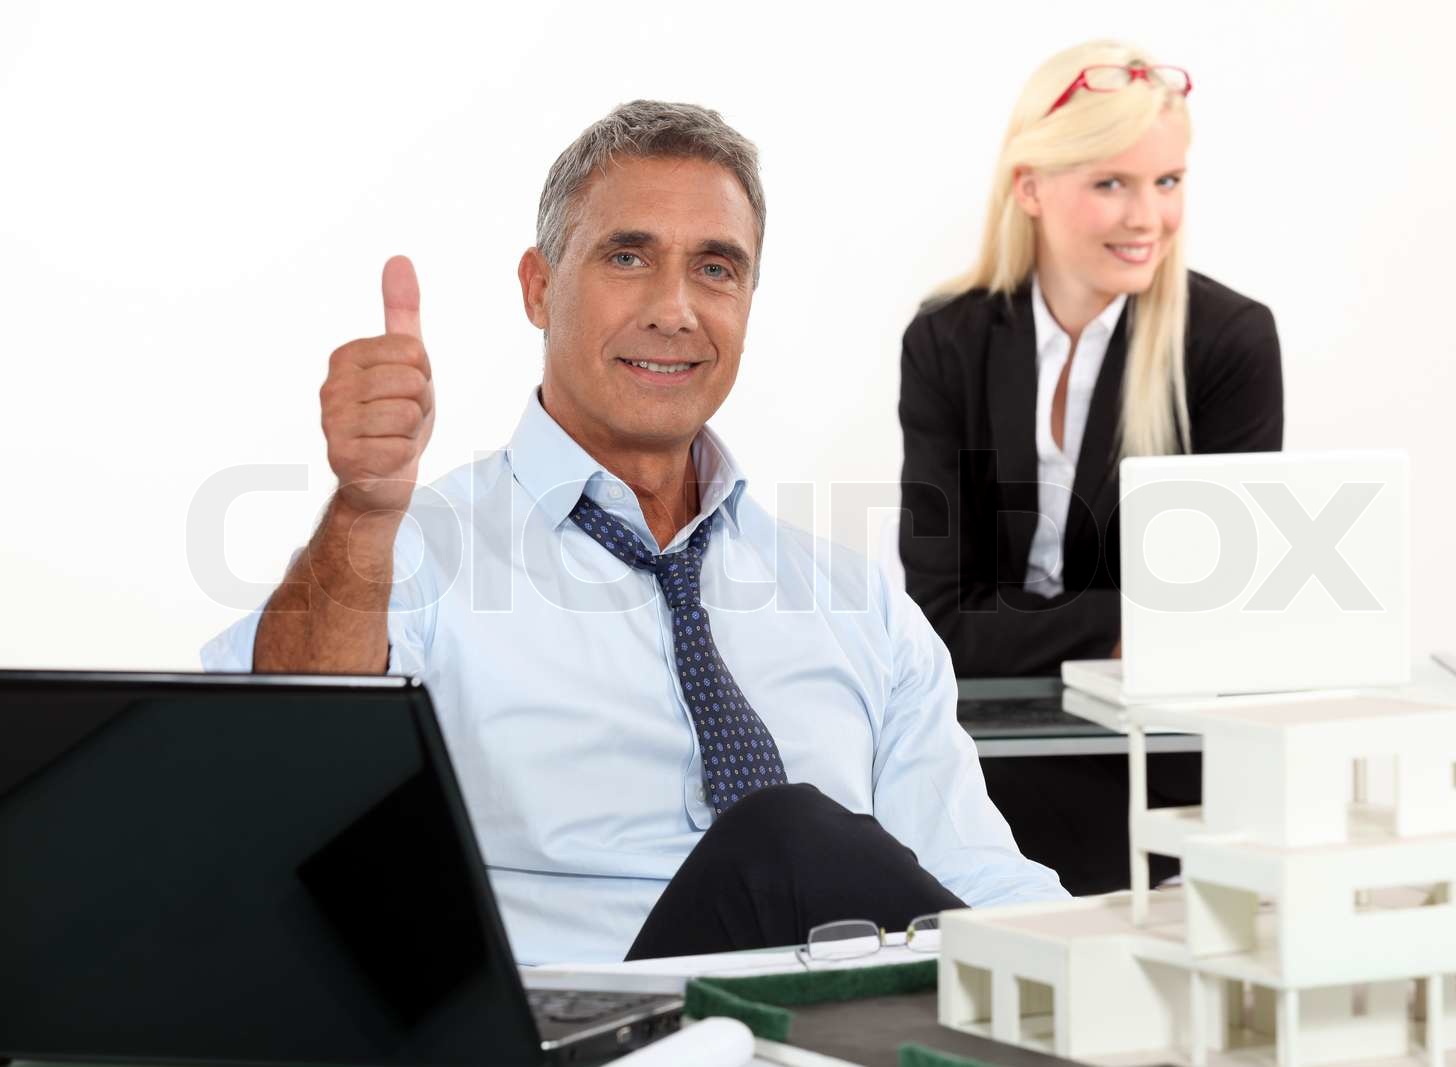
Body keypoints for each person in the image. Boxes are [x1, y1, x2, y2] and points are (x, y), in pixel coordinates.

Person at [203, 100, 1066, 964]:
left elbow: (980, 878)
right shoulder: (416, 556)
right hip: (588, 1020)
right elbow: (274, 766)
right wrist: (362, 510)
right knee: (788, 833)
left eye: (716, 269)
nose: (674, 309)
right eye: (628, 257)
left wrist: (1101, 960)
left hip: (844, 1023)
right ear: (539, 288)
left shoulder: (858, 605)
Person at [897, 42, 1284, 893]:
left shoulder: (1227, 343)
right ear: (1030, 187)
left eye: (1167, 181)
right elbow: (938, 620)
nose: (1148, 216)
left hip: (1161, 765)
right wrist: (1118, 627)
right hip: (981, 757)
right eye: (1112, 183)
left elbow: (1208, 627)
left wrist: (1033, 627)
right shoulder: (947, 341)